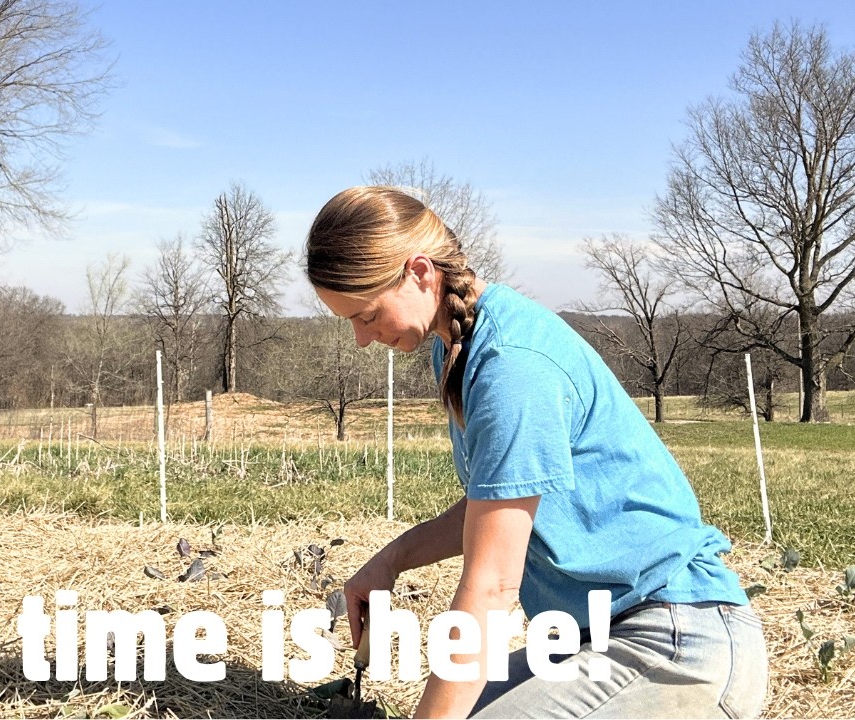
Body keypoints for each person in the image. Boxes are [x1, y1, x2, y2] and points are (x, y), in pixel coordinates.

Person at [306, 186, 768, 719]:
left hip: (674, 641)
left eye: (365, 315)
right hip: (588, 636)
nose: (363, 339)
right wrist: (391, 560)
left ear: (420, 272)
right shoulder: (455, 345)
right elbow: (499, 511)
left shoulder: (512, 366)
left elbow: (492, 585)